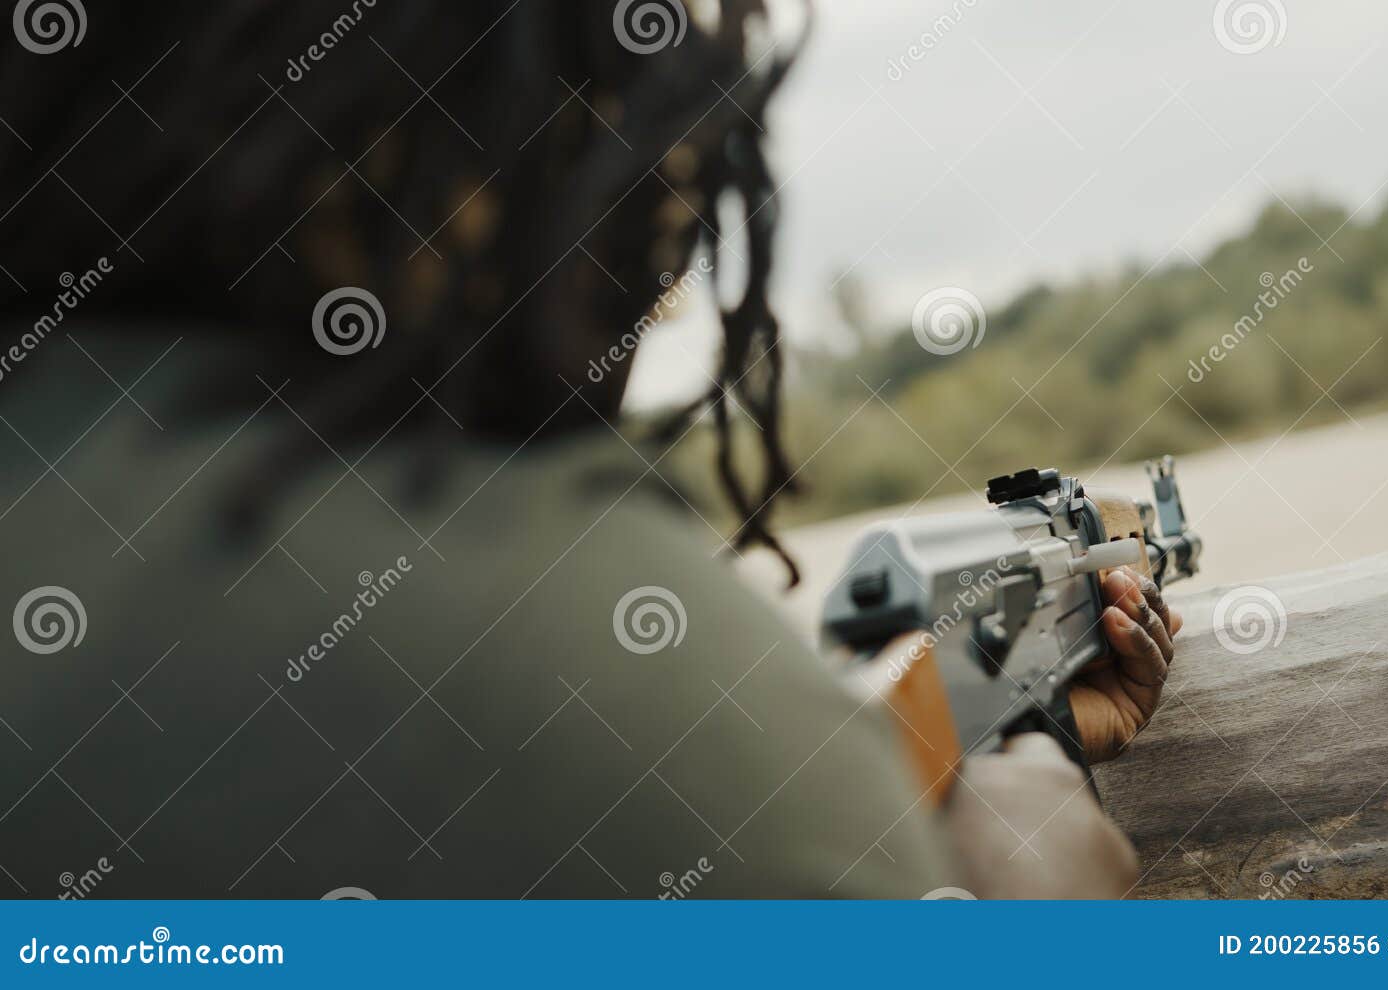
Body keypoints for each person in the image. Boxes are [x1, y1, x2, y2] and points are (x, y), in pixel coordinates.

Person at [0, 2, 1179, 898]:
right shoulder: (562, 659)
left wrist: (1024, 721)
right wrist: (1036, 856)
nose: (660, 289)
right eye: (644, 134)